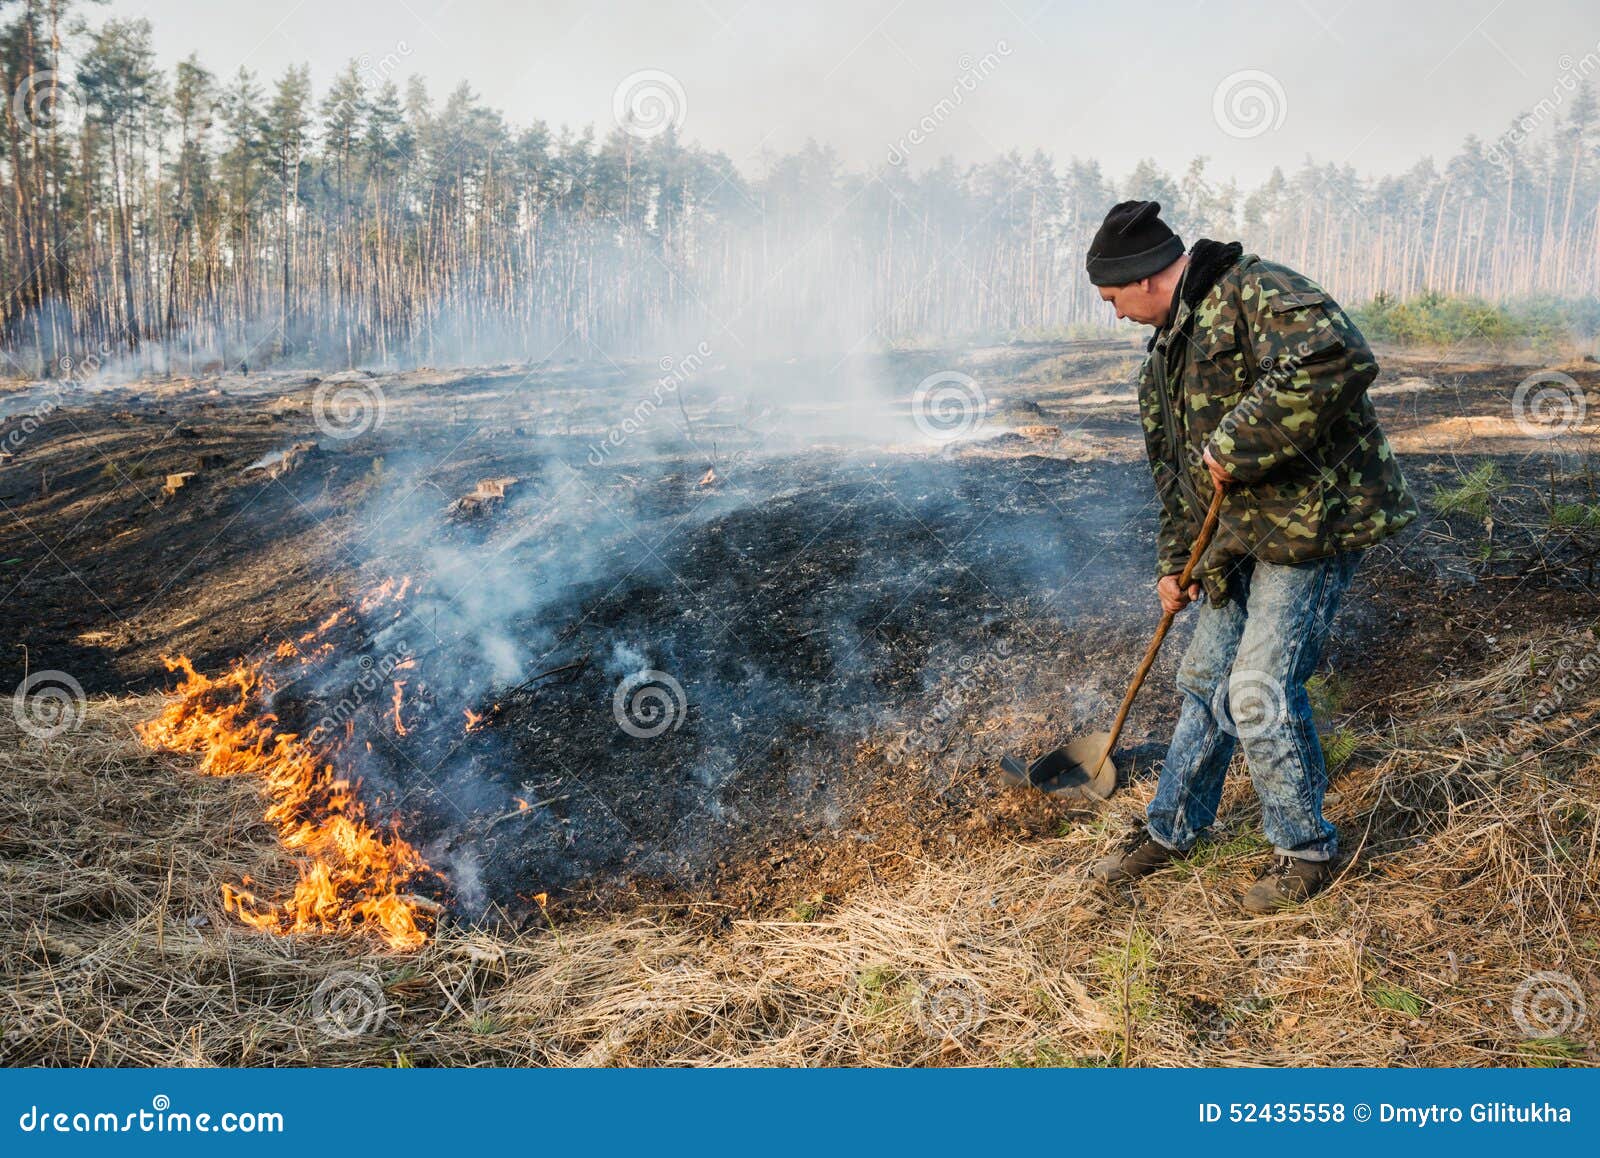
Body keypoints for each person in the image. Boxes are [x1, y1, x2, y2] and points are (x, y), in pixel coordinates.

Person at [1082, 199, 1417, 913]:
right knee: (1205, 677)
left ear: (1141, 278)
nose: (1114, 315)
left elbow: (1337, 356)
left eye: (1111, 299)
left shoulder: (1253, 291)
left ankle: (1306, 850)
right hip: (1236, 539)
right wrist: (1177, 565)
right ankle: (1172, 830)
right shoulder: (1163, 359)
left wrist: (1239, 441)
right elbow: (1178, 477)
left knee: (1256, 685)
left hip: (1308, 524)